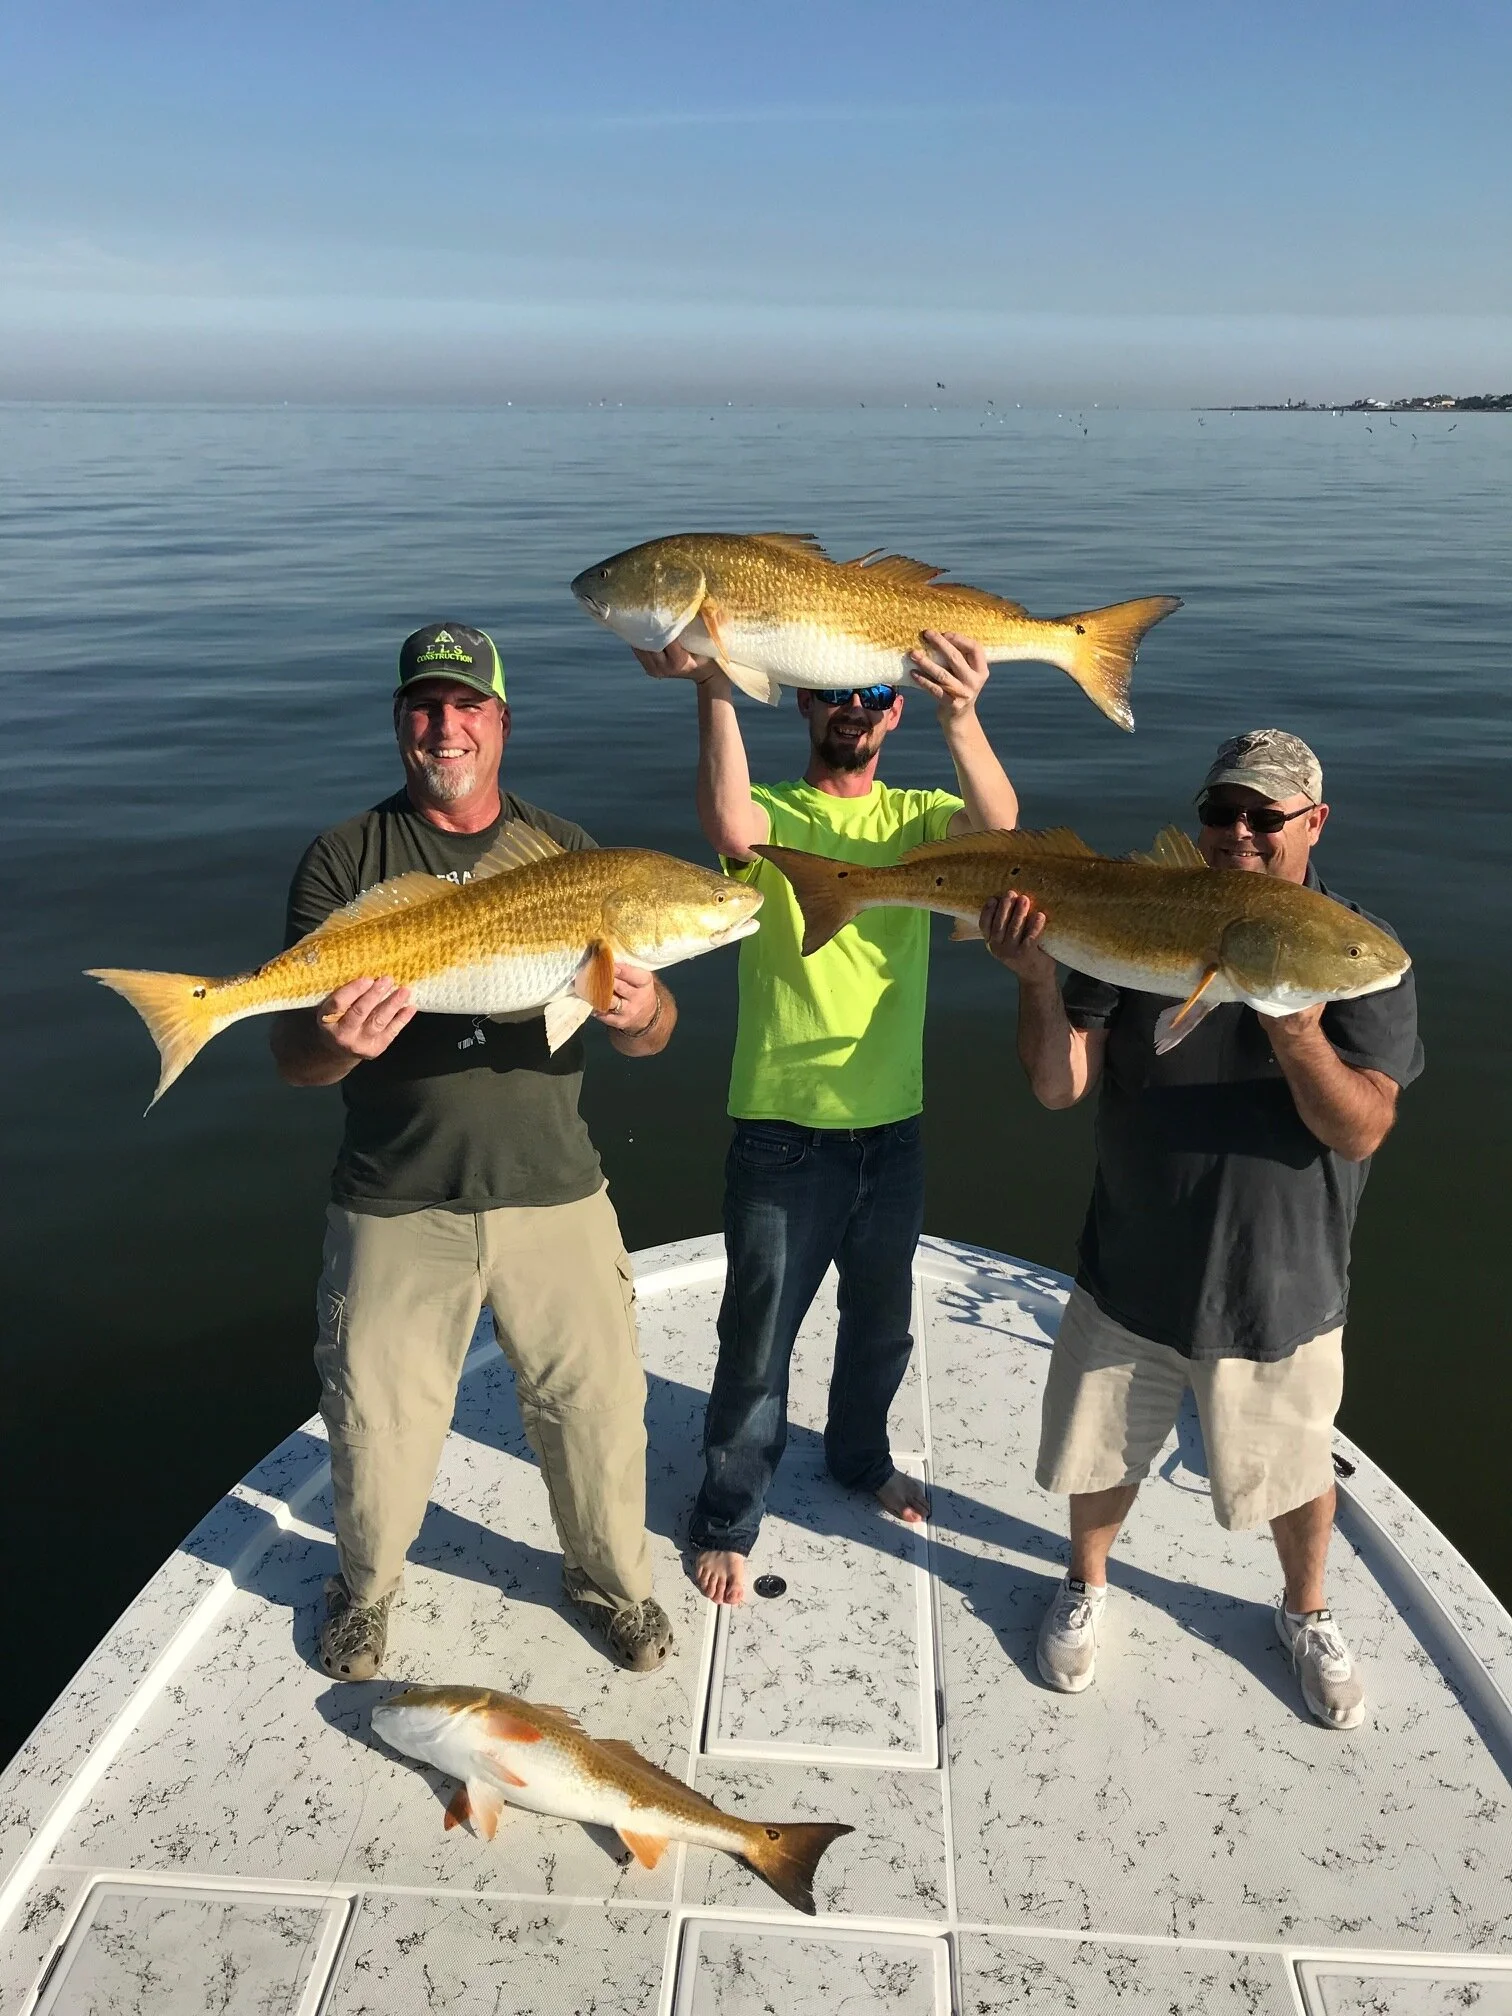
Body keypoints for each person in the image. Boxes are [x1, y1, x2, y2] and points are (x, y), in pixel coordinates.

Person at [982, 730, 1422, 1730]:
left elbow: (1362, 1129)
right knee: (1100, 1455)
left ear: (1315, 823)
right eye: (1223, 812)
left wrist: (1296, 1027)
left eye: (1266, 816)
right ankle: (1086, 1582)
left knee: (1296, 1471)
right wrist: (1037, 980)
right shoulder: (1136, 910)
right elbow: (1058, 1087)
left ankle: (1306, 1611)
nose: (1240, 833)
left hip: (1281, 1282)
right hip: (1130, 1263)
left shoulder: (1353, 953)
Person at [271, 622, 678, 1681]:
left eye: (467, 707)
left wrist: (640, 1011)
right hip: (395, 1199)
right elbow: (295, 1058)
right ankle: (364, 1594)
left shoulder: (568, 853)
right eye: (425, 707)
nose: (444, 727)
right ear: (400, 722)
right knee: (376, 1426)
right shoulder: (347, 858)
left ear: (501, 722)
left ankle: (613, 1586)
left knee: (597, 1417)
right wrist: (335, 1038)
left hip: (556, 1190)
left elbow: (651, 1033)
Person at [634, 634, 1020, 1604]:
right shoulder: (776, 813)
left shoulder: (917, 817)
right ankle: (727, 1514)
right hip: (782, 1130)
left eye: (874, 694)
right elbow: (730, 825)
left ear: (895, 711)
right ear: (804, 702)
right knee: (758, 1341)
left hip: (894, 1127)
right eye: (835, 691)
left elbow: (1000, 830)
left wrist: (963, 715)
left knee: (881, 1325)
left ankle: (859, 1458)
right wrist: (714, 683)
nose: (854, 706)